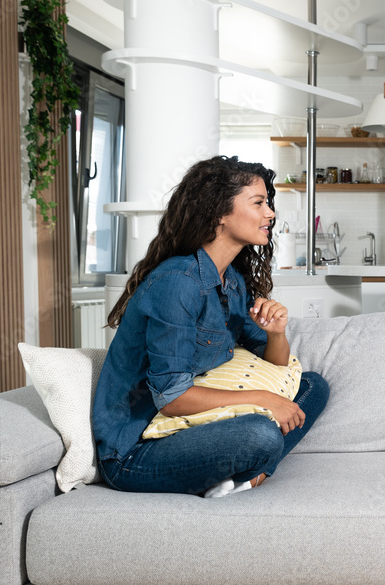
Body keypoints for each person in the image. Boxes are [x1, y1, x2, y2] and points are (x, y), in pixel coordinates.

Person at [93, 156, 328, 497]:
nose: (270, 214)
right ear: (220, 212)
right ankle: (253, 472)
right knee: (260, 434)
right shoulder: (178, 283)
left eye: (268, 204)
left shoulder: (230, 280)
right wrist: (264, 399)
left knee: (312, 387)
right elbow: (171, 398)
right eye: (259, 203)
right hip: (136, 450)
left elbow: (273, 360)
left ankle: (250, 476)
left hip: (191, 430)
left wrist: (276, 332)